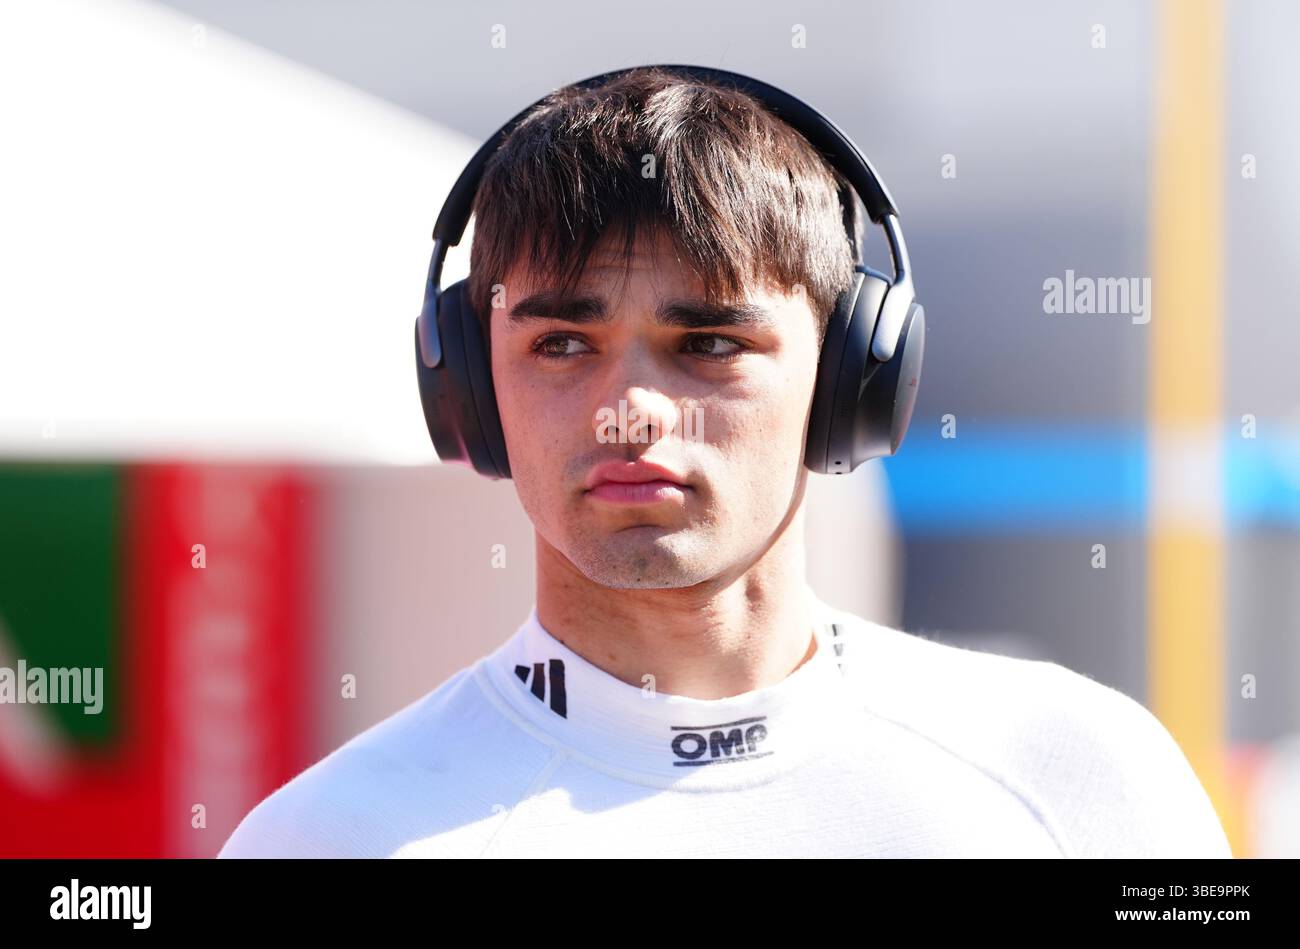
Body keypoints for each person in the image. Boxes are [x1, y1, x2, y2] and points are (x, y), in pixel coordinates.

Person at [218, 66, 1231, 858]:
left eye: (707, 343)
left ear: (850, 378)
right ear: (470, 392)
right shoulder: (325, 839)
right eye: (561, 343)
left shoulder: (1081, 778)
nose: (629, 411)